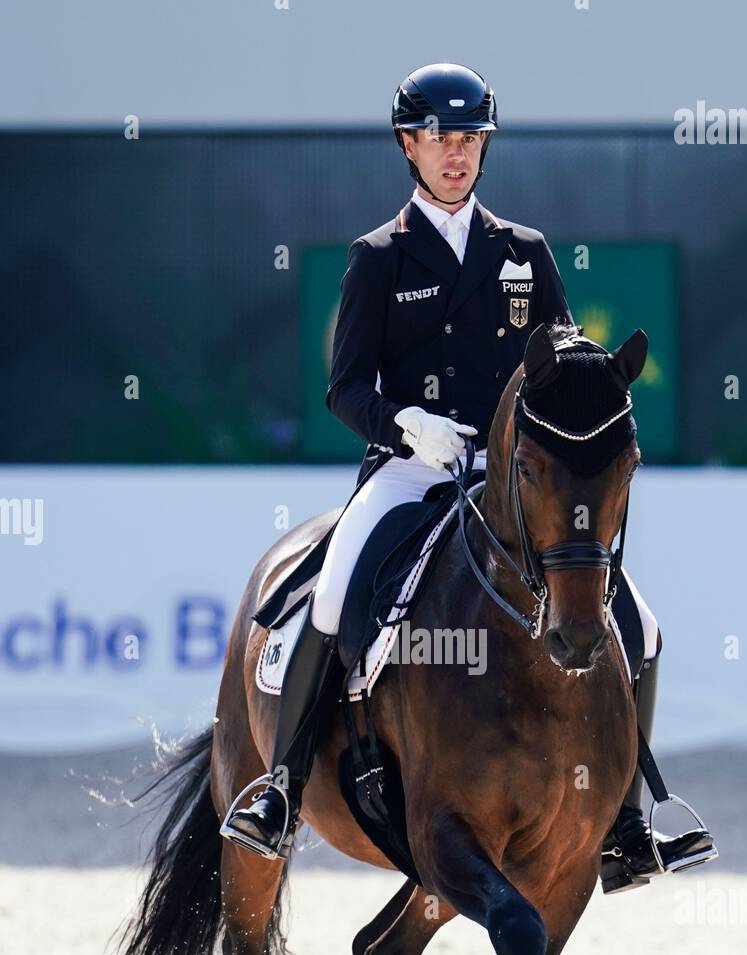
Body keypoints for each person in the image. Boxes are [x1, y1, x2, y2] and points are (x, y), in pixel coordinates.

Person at [221, 62, 717, 889]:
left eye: (470, 139)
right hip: (413, 471)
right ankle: (281, 786)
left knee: (641, 623)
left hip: (514, 476)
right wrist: (404, 427)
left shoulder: (523, 251)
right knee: (340, 584)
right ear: (408, 145)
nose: (456, 155)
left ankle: (629, 822)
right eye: (440, 139)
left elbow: (562, 365)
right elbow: (343, 389)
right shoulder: (378, 256)